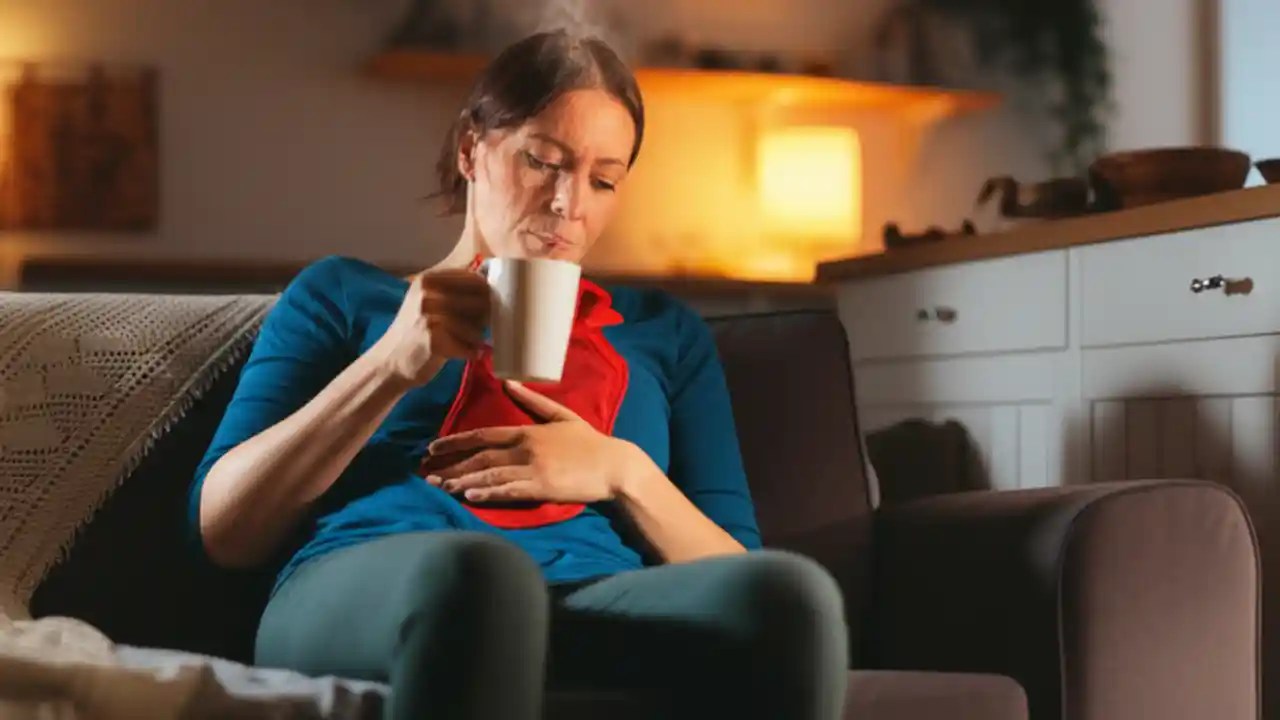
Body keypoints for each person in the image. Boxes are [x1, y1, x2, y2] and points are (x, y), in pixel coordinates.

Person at [189, 28, 848, 720]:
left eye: (602, 180)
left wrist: (621, 470)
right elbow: (227, 532)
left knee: (790, 597)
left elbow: (735, 565)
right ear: (472, 149)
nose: (570, 204)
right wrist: (389, 366)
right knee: (482, 578)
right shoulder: (345, 296)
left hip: (591, 591)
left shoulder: (665, 333)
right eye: (543, 161)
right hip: (374, 581)